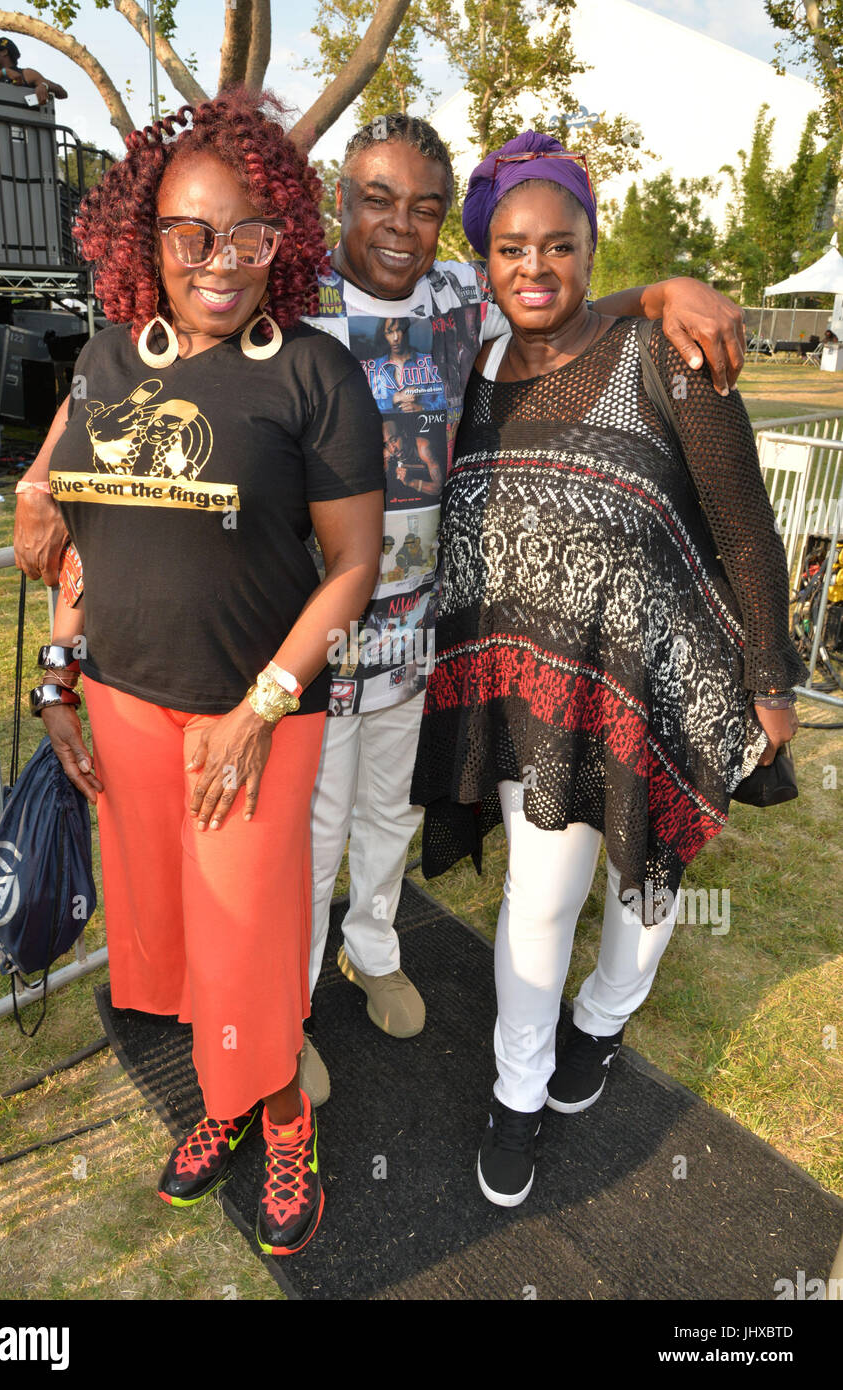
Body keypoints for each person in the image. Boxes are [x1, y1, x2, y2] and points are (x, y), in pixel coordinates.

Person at [14, 112, 748, 1108]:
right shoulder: (281, 294)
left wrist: (663, 291)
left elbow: (566, 304)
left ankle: (374, 948)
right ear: (335, 204)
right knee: (301, 841)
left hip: (411, 632)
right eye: (376, 198)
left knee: (384, 819)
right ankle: (293, 1000)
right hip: (302, 641)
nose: (399, 224)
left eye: (425, 207)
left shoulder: (455, 295)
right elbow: (139, 361)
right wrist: (36, 478)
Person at [408, 131, 805, 1208]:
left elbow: (745, 526)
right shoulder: (469, 365)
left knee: (646, 873)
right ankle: (517, 1089)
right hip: (530, 689)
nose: (534, 269)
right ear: (482, 259)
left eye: (560, 247)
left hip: (659, 677)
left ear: (591, 248)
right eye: (508, 249)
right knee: (538, 898)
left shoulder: (664, 357)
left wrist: (771, 680)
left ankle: (603, 1018)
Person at [29, 88, 382, 1256]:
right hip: (124, 710)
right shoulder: (103, 360)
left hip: (258, 720)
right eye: (190, 234)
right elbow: (83, 538)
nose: (218, 261)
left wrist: (260, 708)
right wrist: (56, 680)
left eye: (245, 232)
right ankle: (223, 1102)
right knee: (177, 943)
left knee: (245, 945)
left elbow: (353, 566)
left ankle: (282, 1119)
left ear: (281, 234)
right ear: (150, 241)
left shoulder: (315, 373)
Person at [0, 36, 67, 105]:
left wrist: (44, 86)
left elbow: (63, 93)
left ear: (4, 52)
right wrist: (5, 72)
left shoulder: (26, 74)